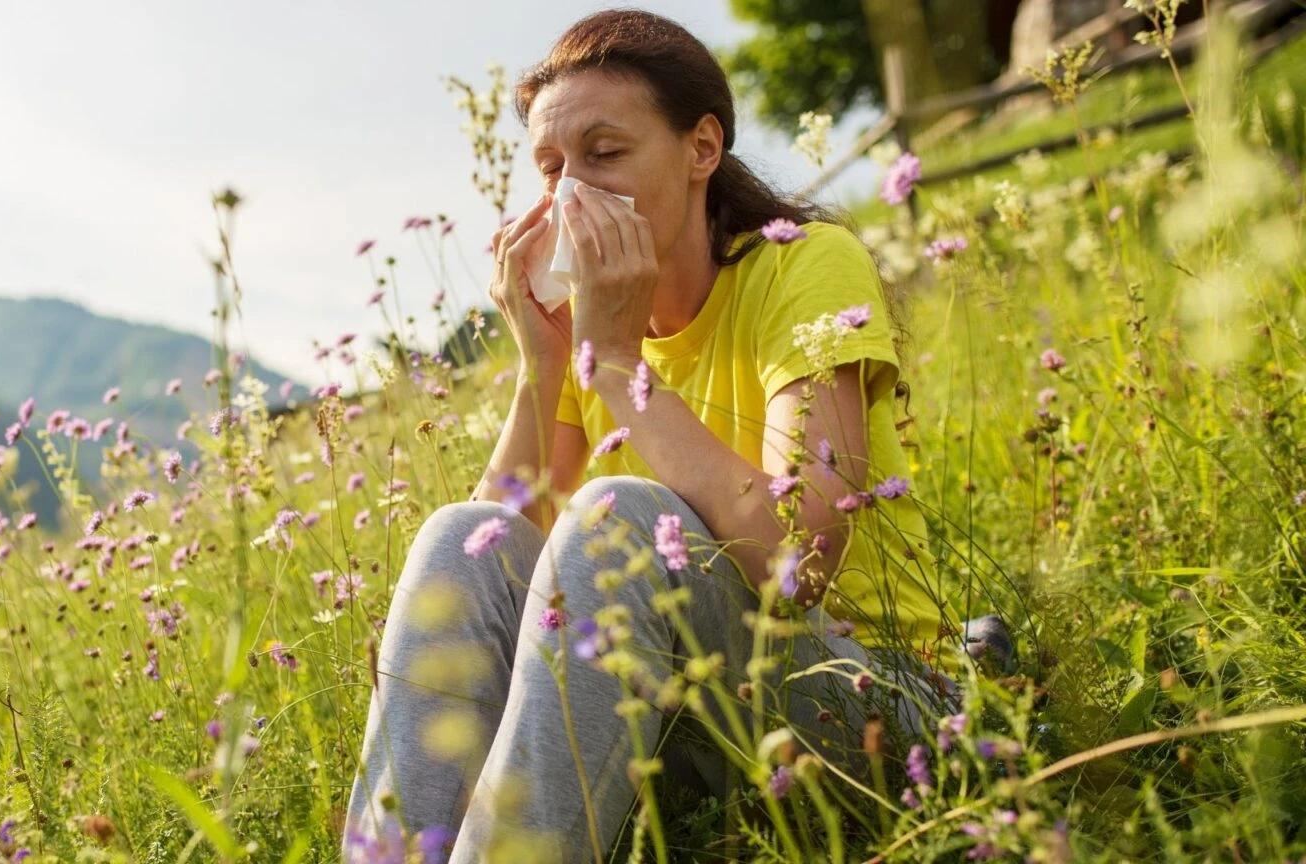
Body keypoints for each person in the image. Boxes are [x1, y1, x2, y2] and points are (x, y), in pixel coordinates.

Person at [343, 9, 1005, 863]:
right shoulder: (594, 323)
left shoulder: (804, 264)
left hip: (870, 710)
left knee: (618, 513)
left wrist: (616, 364)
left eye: (605, 153)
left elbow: (796, 562)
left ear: (701, 149)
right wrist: (544, 364)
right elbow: (493, 562)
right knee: (456, 536)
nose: (570, 193)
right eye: (551, 168)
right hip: (684, 723)